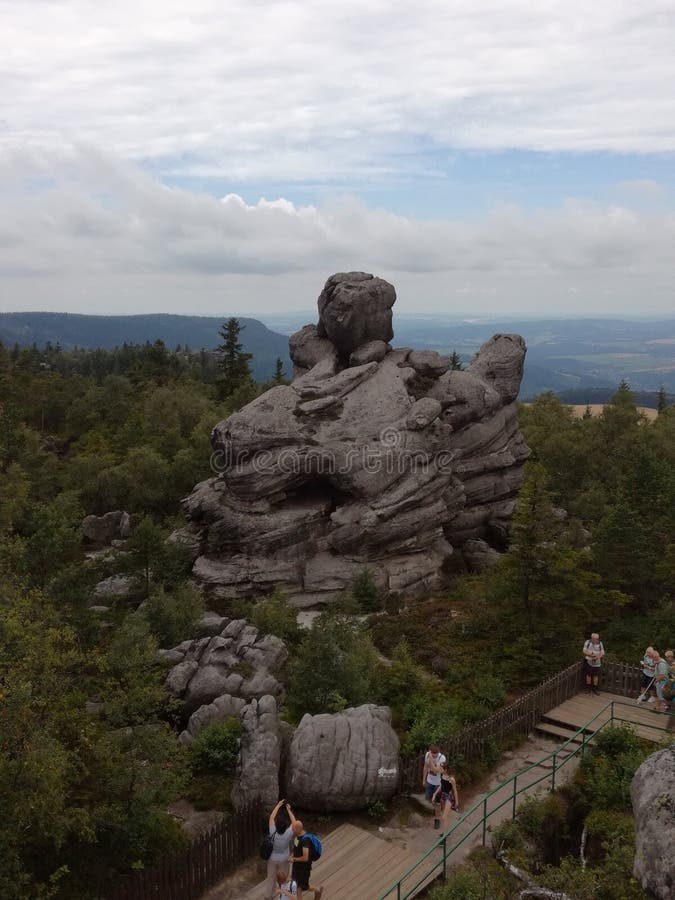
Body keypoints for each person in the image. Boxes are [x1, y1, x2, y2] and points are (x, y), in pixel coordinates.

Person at [263, 799, 294, 900]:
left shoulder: (272, 831)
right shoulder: (289, 833)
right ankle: (282, 895)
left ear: (276, 826)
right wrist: (289, 810)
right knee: (283, 879)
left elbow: (271, 817)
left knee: (271, 879)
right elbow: (294, 822)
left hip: (272, 858)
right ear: (286, 827)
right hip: (284, 859)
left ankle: (268, 896)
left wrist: (279, 805)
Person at [289, 817, 323, 900]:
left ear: (298, 829)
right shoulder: (297, 836)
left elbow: (305, 858)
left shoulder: (305, 841)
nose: (292, 831)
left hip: (303, 868)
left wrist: (294, 859)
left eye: (293, 829)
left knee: (303, 886)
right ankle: (317, 890)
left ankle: (317, 890)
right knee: (298, 886)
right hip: (297, 866)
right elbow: (296, 848)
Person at [422, 743, 446, 829]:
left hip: (438, 784)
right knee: (430, 799)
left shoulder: (442, 758)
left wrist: (431, 760)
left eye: (435, 755)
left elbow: (436, 771)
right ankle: (438, 808)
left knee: (437, 803)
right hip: (429, 781)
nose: (434, 756)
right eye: (433, 755)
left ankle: (437, 819)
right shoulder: (427, 755)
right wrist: (424, 779)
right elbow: (425, 767)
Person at [431, 762, 460, 832]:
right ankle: (446, 830)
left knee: (444, 817)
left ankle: (444, 837)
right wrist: (435, 794)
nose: (439, 769)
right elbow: (441, 786)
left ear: (446, 770)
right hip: (443, 796)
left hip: (449, 797)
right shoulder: (442, 775)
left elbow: (455, 790)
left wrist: (456, 801)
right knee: (444, 816)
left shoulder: (451, 779)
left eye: (441, 768)